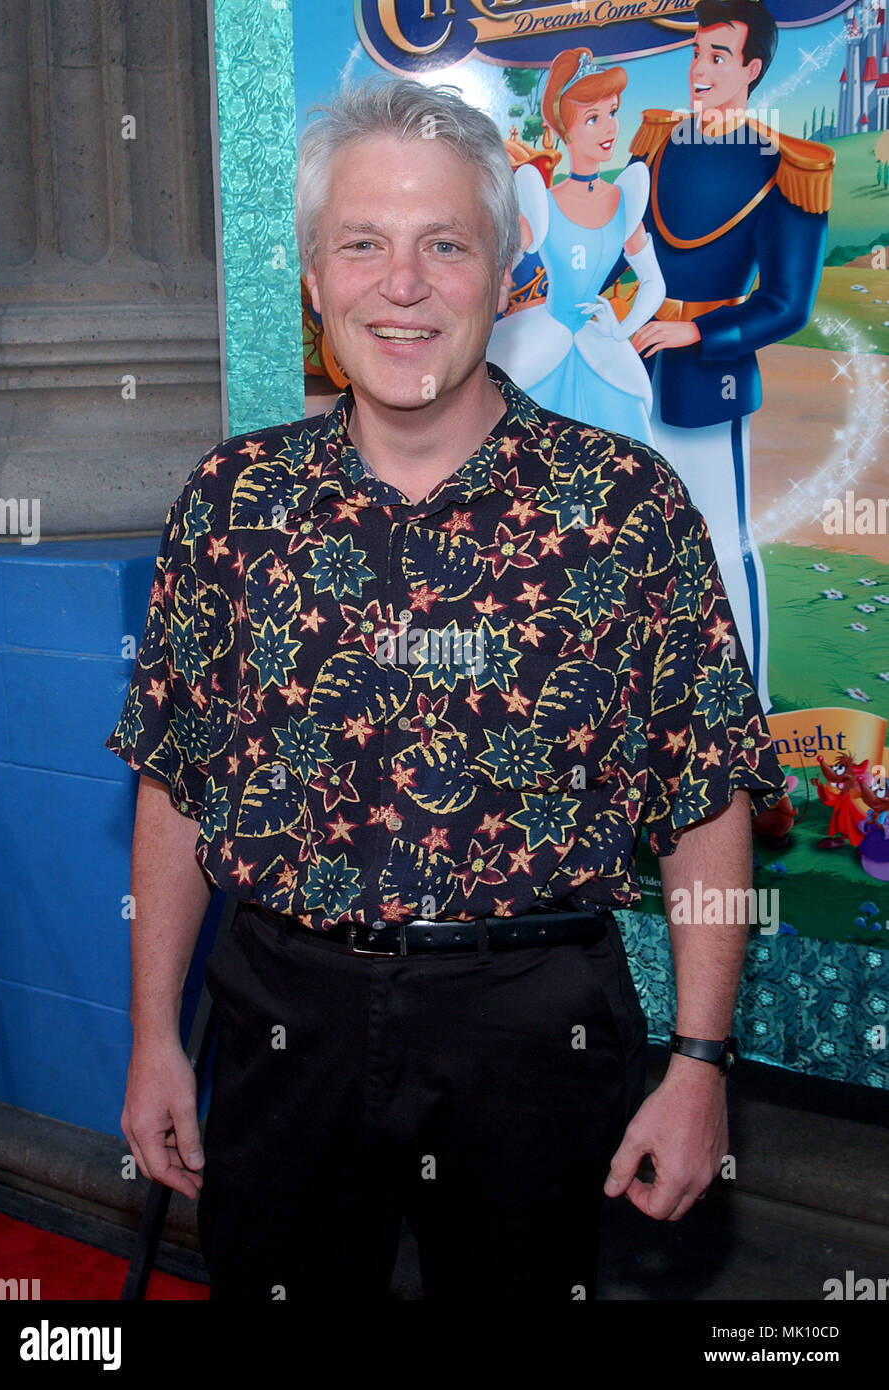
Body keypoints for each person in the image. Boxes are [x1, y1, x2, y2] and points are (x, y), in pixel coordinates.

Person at [106, 76, 787, 1302]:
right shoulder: (233, 504)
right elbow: (178, 779)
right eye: (361, 244)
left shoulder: (625, 510)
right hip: (281, 1019)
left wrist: (697, 1066)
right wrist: (154, 1036)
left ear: (507, 270)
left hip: (533, 1025)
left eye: (443, 245)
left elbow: (705, 799)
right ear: (314, 279)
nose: (401, 284)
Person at [624, 0, 835, 713]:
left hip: (706, 384)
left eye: (717, 56)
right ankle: (649, 713)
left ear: (750, 70)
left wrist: (697, 335)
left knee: (717, 542)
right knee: (629, 546)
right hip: (629, 372)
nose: (698, 68)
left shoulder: (786, 166)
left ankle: (751, 718)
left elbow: (786, 303)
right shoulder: (654, 144)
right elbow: (616, 254)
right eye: (693, 52)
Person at [487, 46, 664, 446]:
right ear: (566, 130)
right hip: (545, 345)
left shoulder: (625, 200)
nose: (609, 129)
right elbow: (501, 272)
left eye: (613, 113)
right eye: (593, 118)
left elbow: (654, 283)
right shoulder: (541, 200)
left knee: (624, 452)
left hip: (602, 348)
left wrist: (622, 329)